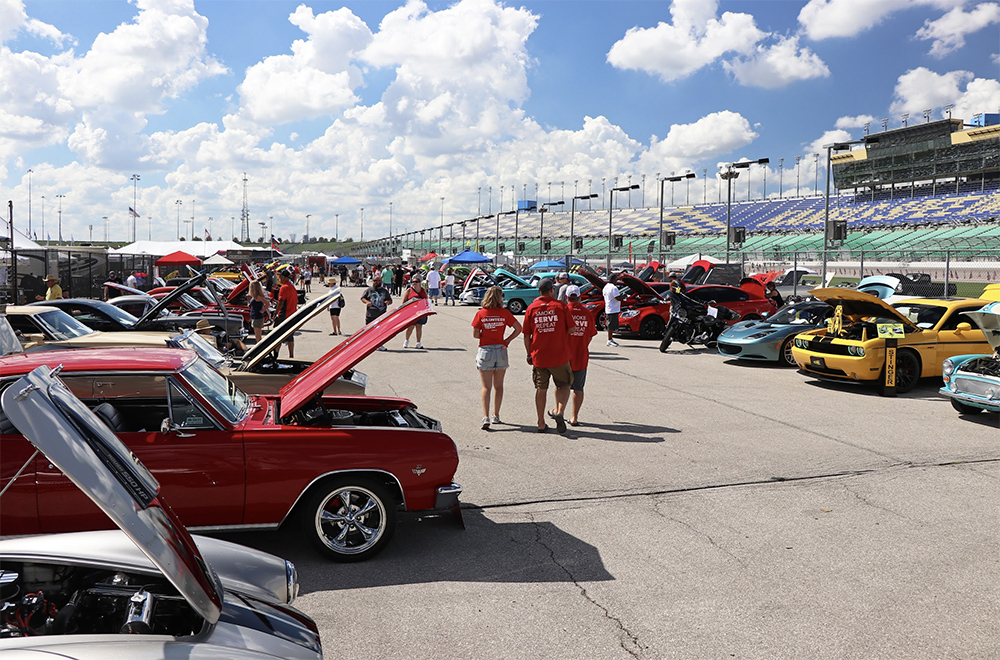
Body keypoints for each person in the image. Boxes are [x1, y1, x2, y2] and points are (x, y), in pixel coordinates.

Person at [522, 277, 572, 433]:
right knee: (564, 384)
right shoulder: (561, 306)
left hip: (539, 355)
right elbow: (572, 329)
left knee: (541, 389)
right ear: (552, 290)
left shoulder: (532, 308)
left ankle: (540, 422)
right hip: (559, 356)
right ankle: (560, 412)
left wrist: (529, 354)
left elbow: (526, 335)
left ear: (539, 291)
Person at [472, 286, 522, 430]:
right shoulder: (505, 313)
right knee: (498, 386)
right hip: (501, 349)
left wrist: (486, 333)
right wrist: (507, 340)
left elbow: (475, 334)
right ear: (499, 298)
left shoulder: (481, 313)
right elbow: (519, 328)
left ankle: (485, 416)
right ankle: (496, 415)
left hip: (485, 350)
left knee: (486, 387)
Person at [565, 285, 597, 426]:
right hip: (581, 354)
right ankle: (574, 417)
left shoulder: (564, 312)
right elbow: (590, 334)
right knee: (578, 388)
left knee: (561, 386)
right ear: (580, 297)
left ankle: (559, 411)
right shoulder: (586, 313)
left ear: (566, 297)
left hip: (564, 356)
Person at [361, 276, 393, 350]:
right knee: (369, 330)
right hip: (370, 314)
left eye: (377, 281)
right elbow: (363, 298)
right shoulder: (369, 290)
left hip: (381, 314)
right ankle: (369, 344)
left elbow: (390, 300)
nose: (375, 282)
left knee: (380, 331)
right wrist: (367, 302)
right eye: (374, 281)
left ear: (381, 281)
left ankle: (379, 344)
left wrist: (388, 302)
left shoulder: (384, 291)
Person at [274, 268, 298, 357]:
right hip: (292, 315)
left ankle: (276, 354)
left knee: (278, 336)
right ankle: (291, 355)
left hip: (284, 315)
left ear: (283, 277)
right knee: (290, 337)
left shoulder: (284, 288)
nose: (279, 279)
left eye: (280, 277)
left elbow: (281, 303)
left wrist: (275, 313)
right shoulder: (292, 287)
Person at [402, 275, 428, 348]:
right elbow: (404, 301)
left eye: (416, 282)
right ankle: (406, 340)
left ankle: (418, 343)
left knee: (419, 326)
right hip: (411, 312)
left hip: (420, 312)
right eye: (413, 282)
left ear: (419, 283)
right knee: (410, 326)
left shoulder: (422, 290)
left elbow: (426, 300)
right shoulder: (409, 290)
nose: (414, 283)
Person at [602, 278, 626, 348]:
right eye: (616, 280)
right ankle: (609, 340)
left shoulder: (606, 286)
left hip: (609, 307)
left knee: (611, 325)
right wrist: (623, 296)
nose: (617, 281)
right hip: (613, 309)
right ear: (613, 280)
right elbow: (617, 298)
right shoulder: (613, 288)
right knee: (611, 325)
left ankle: (611, 339)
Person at [248, 278, 269, 343]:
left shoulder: (258, 296)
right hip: (254, 315)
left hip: (258, 316)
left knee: (258, 336)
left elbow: (267, 303)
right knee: (257, 335)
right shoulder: (254, 296)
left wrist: (263, 310)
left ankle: (260, 348)